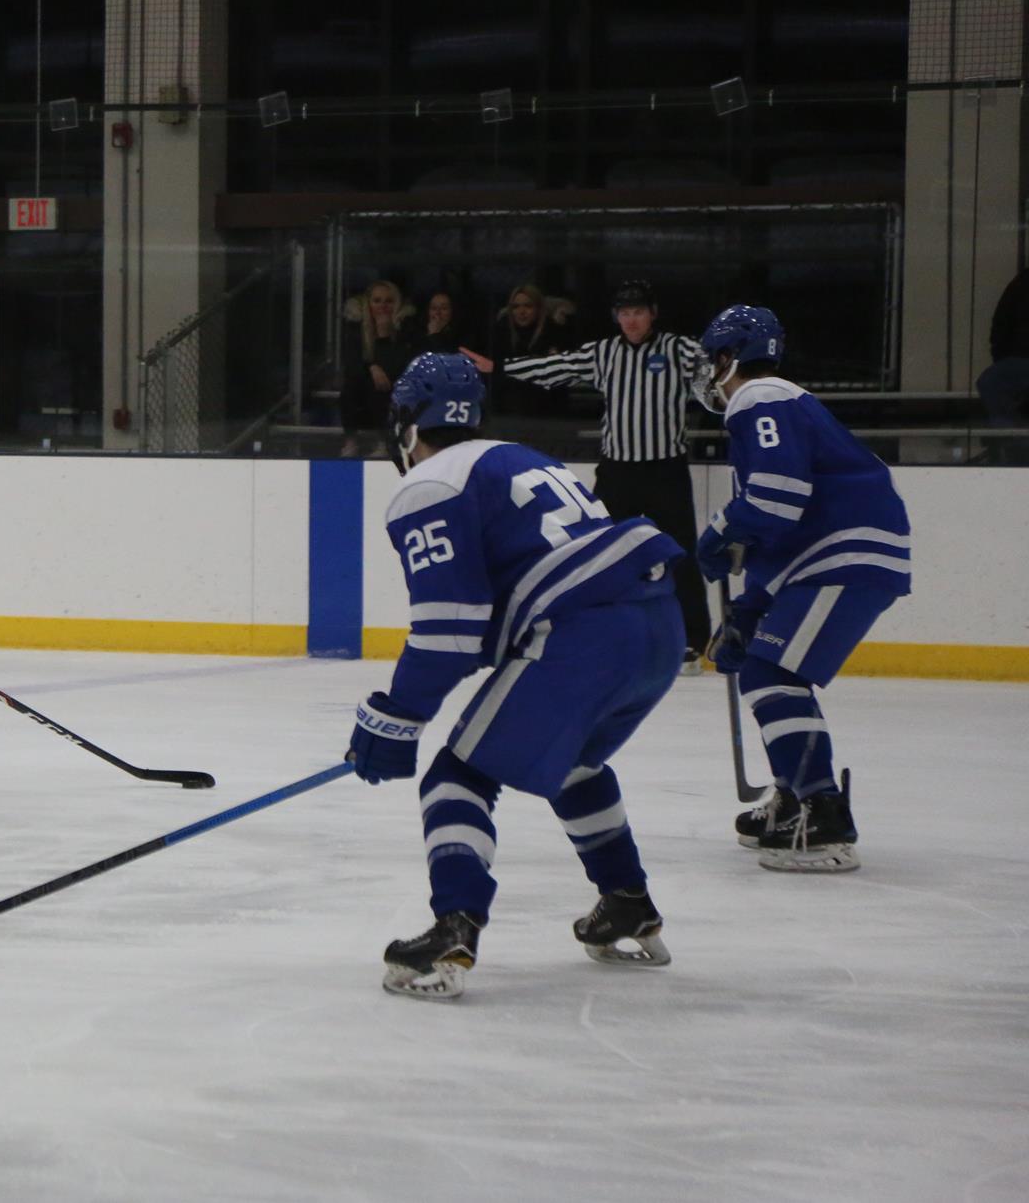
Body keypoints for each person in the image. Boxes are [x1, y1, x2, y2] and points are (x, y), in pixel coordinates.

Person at [346, 351, 686, 1000]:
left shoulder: (429, 482)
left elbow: (450, 629)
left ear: (411, 423)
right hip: (657, 625)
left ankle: (454, 925)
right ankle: (626, 900)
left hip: (583, 632)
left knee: (458, 775)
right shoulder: (525, 457)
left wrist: (399, 713)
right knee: (576, 763)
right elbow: (488, 620)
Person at [694, 305, 912, 873]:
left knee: (773, 672)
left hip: (844, 553)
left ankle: (822, 812)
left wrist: (718, 530)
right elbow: (785, 525)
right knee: (763, 668)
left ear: (728, 357)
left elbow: (775, 496)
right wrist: (751, 605)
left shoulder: (759, 398)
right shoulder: (779, 404)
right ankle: (795, 793)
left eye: (713, 358)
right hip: (831, 554)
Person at [463, 279, 712, 671]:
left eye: (638, 312)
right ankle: (597, 632)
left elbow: (711, 374)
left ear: (653, 313)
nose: (631, 320)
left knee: (679, 553)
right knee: (598, 553)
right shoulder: (605, 352)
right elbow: (555, 368)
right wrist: (499, 368)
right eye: (624, 313)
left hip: (666, 469)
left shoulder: (678, 349)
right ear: (616, 316)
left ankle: (694, 641)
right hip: (618, 471)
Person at [337, 280, 414, 458]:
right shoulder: (356, 331)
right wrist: (372, 367)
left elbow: (397, 367)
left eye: (388, 301)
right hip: (362, 400)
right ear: (368, 303)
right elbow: (352, 366)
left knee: (382, 386)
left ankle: (384, 440)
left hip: (393, 397)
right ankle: (351, 441)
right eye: (377, 301)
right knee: (351, 387)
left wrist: (384, 335)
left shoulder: (406, 330)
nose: (383, 306)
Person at [482, 282, 575, 422]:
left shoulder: (553, 333)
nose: (522, 311)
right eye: (516, 307)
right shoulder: (502, 334)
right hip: (509, 412)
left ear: (538, 308)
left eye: (528, 306)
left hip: (547, 413)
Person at [977, 267, 1029, 460]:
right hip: (1021, 361)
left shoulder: (1022, 281)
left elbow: (1001, 324)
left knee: (991, 381)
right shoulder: (1023, 282)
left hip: (1018, 361)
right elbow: (1001, 324)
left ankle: (1010, 440)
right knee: (991, 381)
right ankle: (1010, 440)